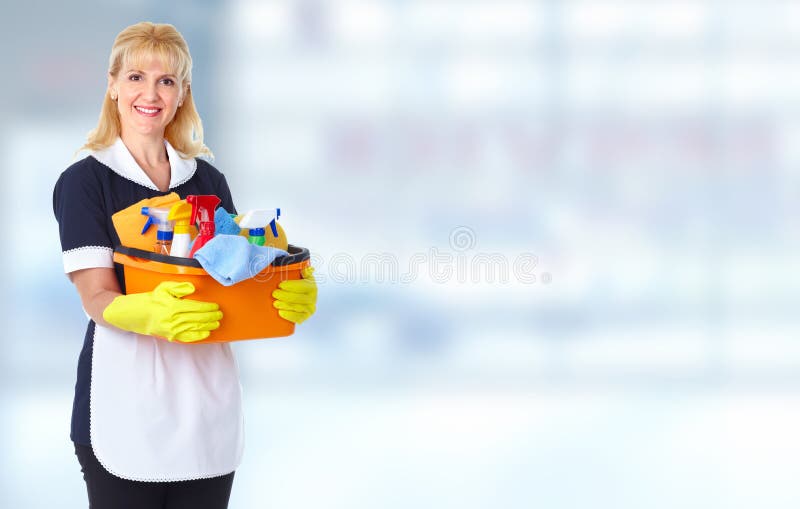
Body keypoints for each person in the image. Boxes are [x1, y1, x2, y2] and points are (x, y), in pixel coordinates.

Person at [52, 22, 317, 508]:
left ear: (181, 95)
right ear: (112, 85)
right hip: (122, 406)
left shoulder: (208, 179)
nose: (149, 93)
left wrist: (282, 291)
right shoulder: (85, 181)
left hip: (205, 409)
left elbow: (233, 274)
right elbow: (94, 295)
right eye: (135, 77)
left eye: (166, 81)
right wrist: (146, 313)